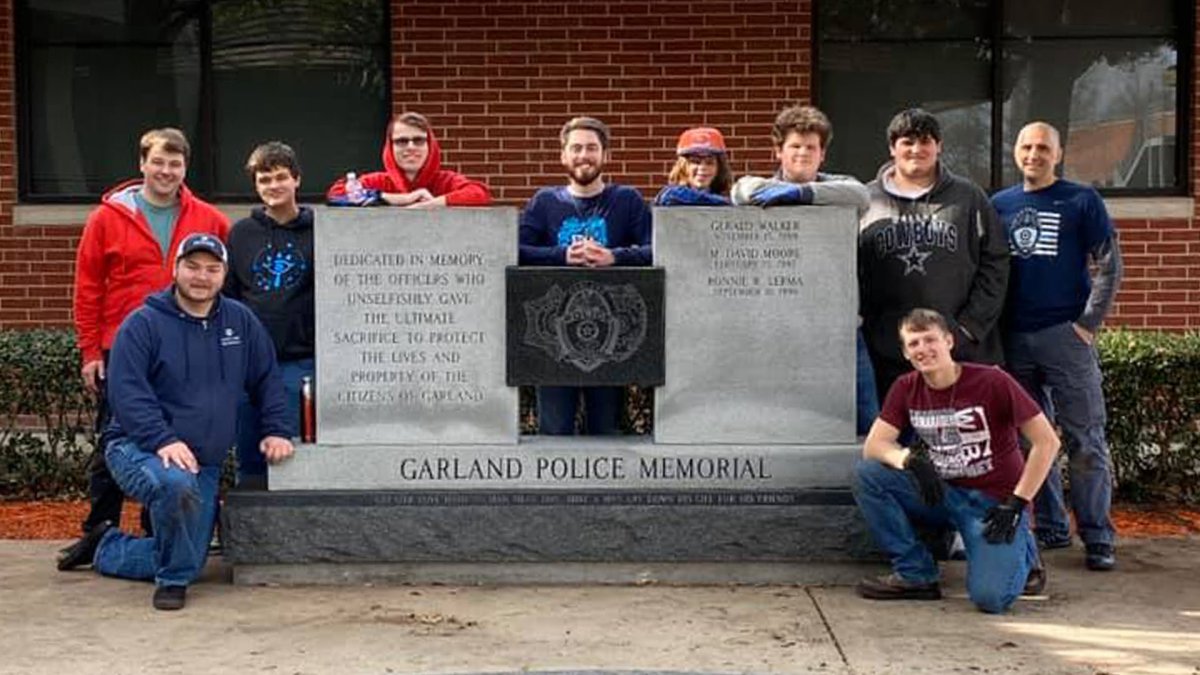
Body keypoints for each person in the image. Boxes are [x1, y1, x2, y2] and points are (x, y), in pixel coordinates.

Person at [56, 233, 293, 611]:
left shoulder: (240, 321)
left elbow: (266, 378)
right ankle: (171, 584)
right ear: (176, 268)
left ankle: (106, 546)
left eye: (212, 269)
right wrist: (163, 439)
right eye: (193, 266)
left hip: (205, 459)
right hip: (139, 447)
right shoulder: (143, 324)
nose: (202, 276)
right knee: (176, 486)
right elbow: (127, 393)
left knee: (191, 556)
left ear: (224, 273)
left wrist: (277, 429)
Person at [68, 127, 230, 545]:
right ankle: (98, 530)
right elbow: (88, 288)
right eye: (158, 161)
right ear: (142, 164)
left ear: (185, 167)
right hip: (120, 346)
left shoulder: (209, 219)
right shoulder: (106, 218)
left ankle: (159, 527)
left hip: (185, 347)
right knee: (116, 439)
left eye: (175, 163)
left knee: (174, 436)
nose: (166, 170)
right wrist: (90, 350)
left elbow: (221, 284)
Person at [853, 308, 1060, 614]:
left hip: (994, 506)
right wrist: (908, 460)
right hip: (943, 493)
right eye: (914, 344)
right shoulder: (906, 387)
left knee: (991, 599)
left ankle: (1024, 551)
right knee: (869, 475)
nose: (923, 349)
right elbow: (874, 446)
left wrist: (1018, 502)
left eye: (930, 340)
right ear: (906, 352)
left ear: (949, 341)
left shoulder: (992, 381)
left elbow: (1047, 441)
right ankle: (916, 574)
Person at [992, 121, 1123, 571]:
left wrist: (1087, 325)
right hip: (1015, 339)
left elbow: (1108, 264)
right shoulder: (1000, 205)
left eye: (1043, 147)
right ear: (1015, 153)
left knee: (1086, 438)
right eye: (1026, 147)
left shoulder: (1081, 200)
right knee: (1031, 440)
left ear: (1058, 153)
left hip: (1065, 336)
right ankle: (1049, 527)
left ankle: (1098, 537)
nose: (1034, 154)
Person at [731, 104, 878, 435]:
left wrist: (802, 193)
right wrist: (778, 192)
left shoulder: (841, 188)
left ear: (822, 154)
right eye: (794, 146)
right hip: (782, 329)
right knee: (790, 425)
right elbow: (740, 191)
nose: (803, 153)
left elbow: (861, 195)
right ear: (779, 151)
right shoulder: (763, 188)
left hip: (840, 329)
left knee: (869, 420)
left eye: (811, 147)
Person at [859, 108, 1010, 404]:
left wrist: (969, 326)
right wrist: (874, 330)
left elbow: (996, 261)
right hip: (889, 355)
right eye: (907, 142)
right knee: (897, 445)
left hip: (959, 350)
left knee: (964, 441)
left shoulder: (969, 197)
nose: (917, 149)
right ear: (892, 148)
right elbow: (850, 271)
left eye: (925, 141)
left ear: (939, 146)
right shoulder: (866, 201)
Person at [519, 116, 652, 434]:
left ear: (605, 155)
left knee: (605, 433)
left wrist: (614, 257)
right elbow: (515, 250)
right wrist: (560, 255)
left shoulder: (627, 200)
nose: (584, 155)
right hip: (554, 341)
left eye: (592, 148)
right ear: (562, 155)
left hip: (613, 339)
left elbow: (658, 250)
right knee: (553, 433)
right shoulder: (544, 202)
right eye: (576, 148)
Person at [224, 142, 314, 485]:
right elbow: (230, 297)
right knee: (249, 453)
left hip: (301, 360)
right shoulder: (242, 234)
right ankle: (250, 524)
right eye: (264, 179)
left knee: (289, 451)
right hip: (250, 362)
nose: (273, 186)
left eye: (280, 177)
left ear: (297, 180)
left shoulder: (319, 231)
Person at [325, 111, 491, 208]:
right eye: (402, 141)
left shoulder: (446, 181)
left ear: (430, 146)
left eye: (418, 140)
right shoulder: (377, 181)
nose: (410, 147)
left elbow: (480, 194)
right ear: (390, 147)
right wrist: (398, 198)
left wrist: (434, 204)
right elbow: (335, 195)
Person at [653, 127, 733, 206]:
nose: (702, 167)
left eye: (709, 163)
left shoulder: (726, 197)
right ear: (684, 167)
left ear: (719, 168)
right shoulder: (671, 196)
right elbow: (670, 196)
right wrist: (723, 203)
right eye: (695, 162)